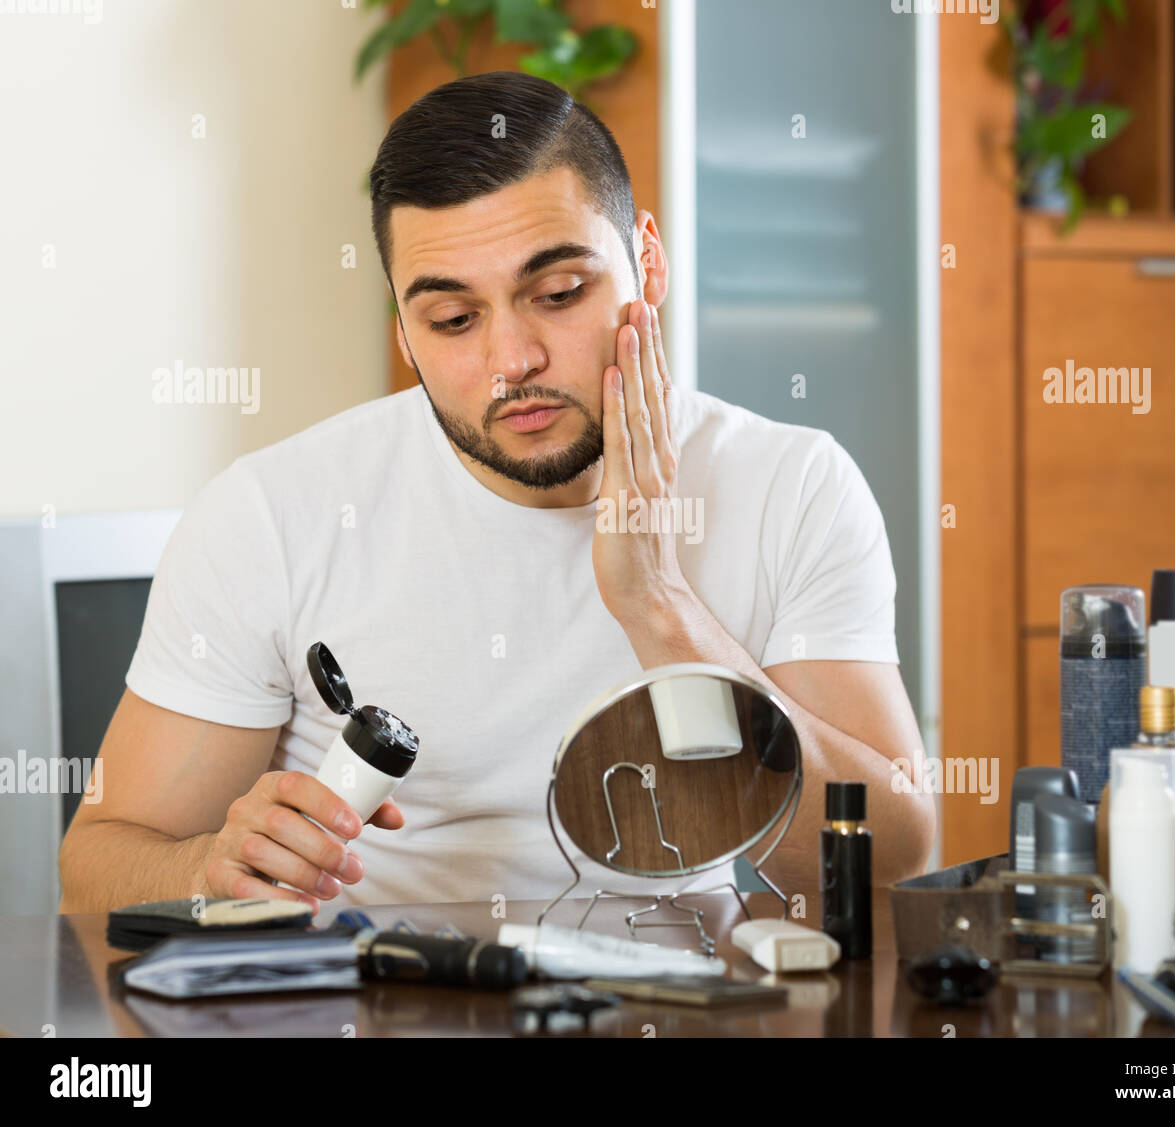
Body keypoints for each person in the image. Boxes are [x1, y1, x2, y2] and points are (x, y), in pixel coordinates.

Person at [59, 71, 933, 915]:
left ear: (648, 265)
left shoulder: (792, 486)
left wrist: (661, 608)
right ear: (403, 329)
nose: (512, 361)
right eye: (453, 319)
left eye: (559, 292)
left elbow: (888, 856)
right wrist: (210, 867)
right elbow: (96, 864)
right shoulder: (271, 514)